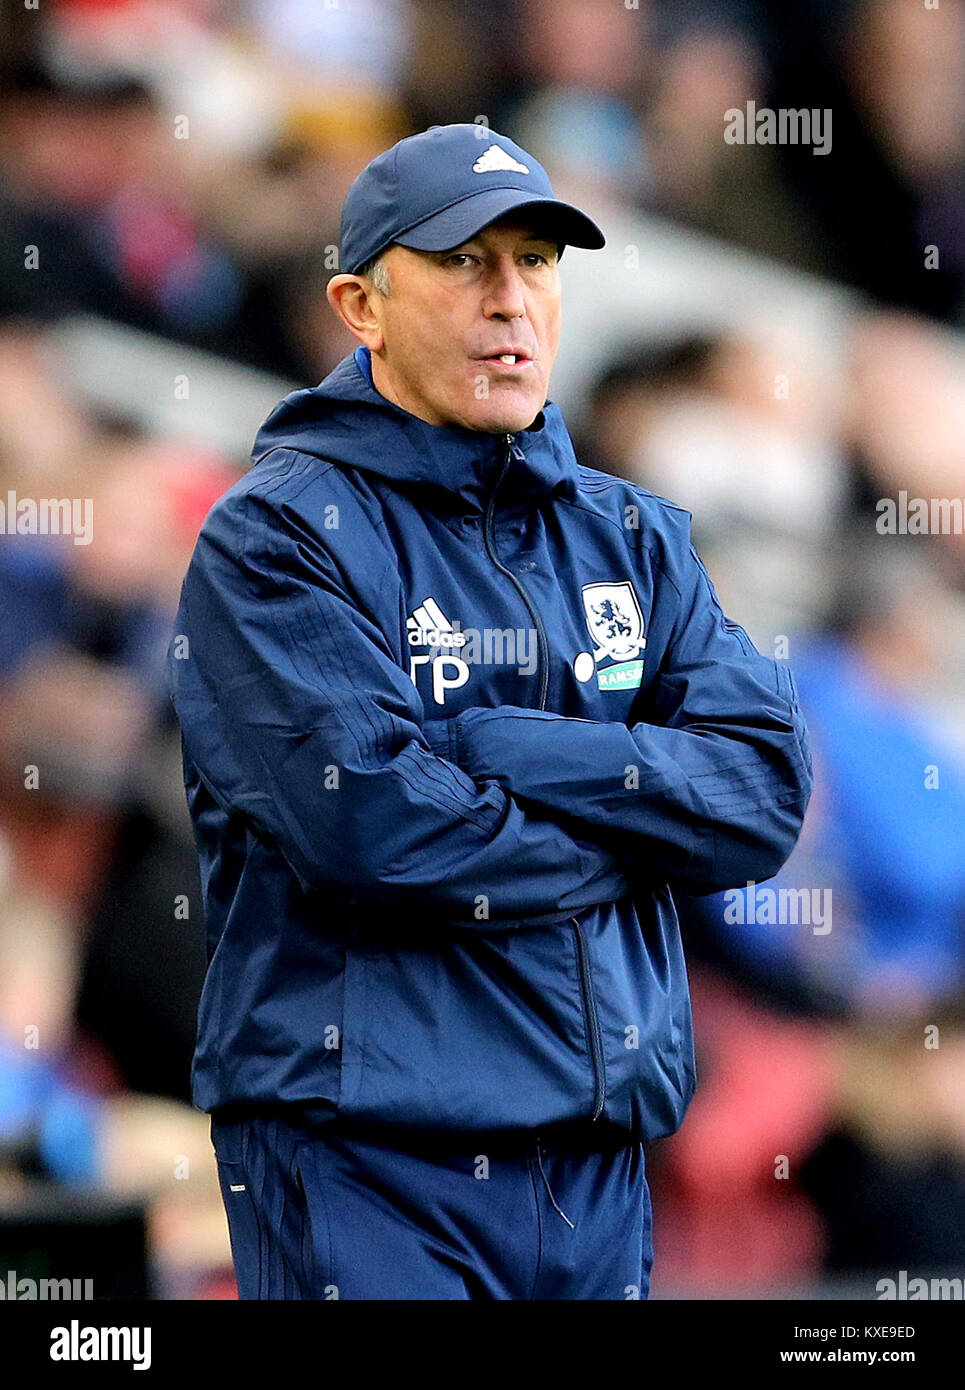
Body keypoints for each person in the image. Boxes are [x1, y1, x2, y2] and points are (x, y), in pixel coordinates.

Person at [167, 123, 813, 1300]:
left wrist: (514, 752)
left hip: (598, 1161)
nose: (510, 300)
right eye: (464, 262)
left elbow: (762, 796)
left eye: (537, 261)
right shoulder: (273, 538)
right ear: (360, 306)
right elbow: (382, 827)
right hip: (369, 1159)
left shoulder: (633, 536)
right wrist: (637, 826)